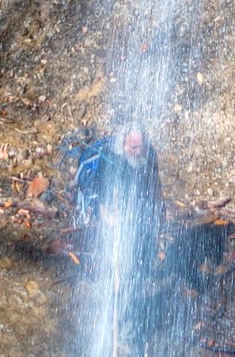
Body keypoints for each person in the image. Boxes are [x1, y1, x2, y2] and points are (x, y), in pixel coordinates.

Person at [74, 125, 166, 347]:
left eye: (140, 147)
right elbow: (103, 204)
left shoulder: (148, 156)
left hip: (139, 223)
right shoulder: (112, 161)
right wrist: (114, 222)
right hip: (114, 227)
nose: (137, 151)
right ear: (124, 145)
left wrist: (159, 211)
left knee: (137, 274)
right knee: (123, 278)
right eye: (133, 147)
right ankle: (121, 334)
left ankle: (122, 323)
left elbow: (155, 185)